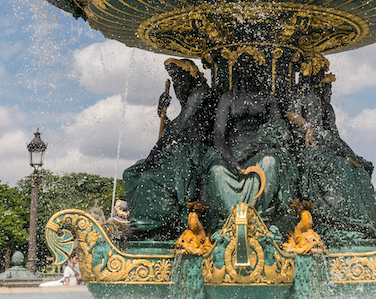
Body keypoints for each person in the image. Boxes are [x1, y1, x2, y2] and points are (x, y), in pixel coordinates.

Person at [285, 55, 376, 244]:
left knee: (360, 170)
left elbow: (334, 136)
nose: (323, 82)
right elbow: (289, 113)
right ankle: (342, 224)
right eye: (319, 76)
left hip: (327, 148)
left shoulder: (323, 104)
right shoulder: (300, 94)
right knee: (341, 169)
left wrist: (349, 154)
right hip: (307, 150)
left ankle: (364, 226)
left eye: (324, 77)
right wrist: (304, 125)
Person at [124, 59, 215, 240]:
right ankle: (139, 223)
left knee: (151, 176)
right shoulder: (189, 96)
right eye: (174, 80)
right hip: (179, 150)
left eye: (180, 79)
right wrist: (162, 114)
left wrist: (155, 152)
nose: (176, 84)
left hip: (195, 152)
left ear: (192, 76)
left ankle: (159, 226)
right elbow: (175, 128)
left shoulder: (201, 93)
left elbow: (179, 126)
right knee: (131, 174)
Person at [200, 53, 294, 230]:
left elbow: (279, 128)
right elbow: (218, 134)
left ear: (256, 73)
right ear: (237, 74)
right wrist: (229, 158)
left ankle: (262, 217)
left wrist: (264, 144)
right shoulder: (228, 98)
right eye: (241, 72)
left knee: (270, 162)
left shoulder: (267, 97)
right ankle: (231, 220)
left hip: (260, 150)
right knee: (216, 172)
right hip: (233, 150)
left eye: (250, 71)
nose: (245, 76)